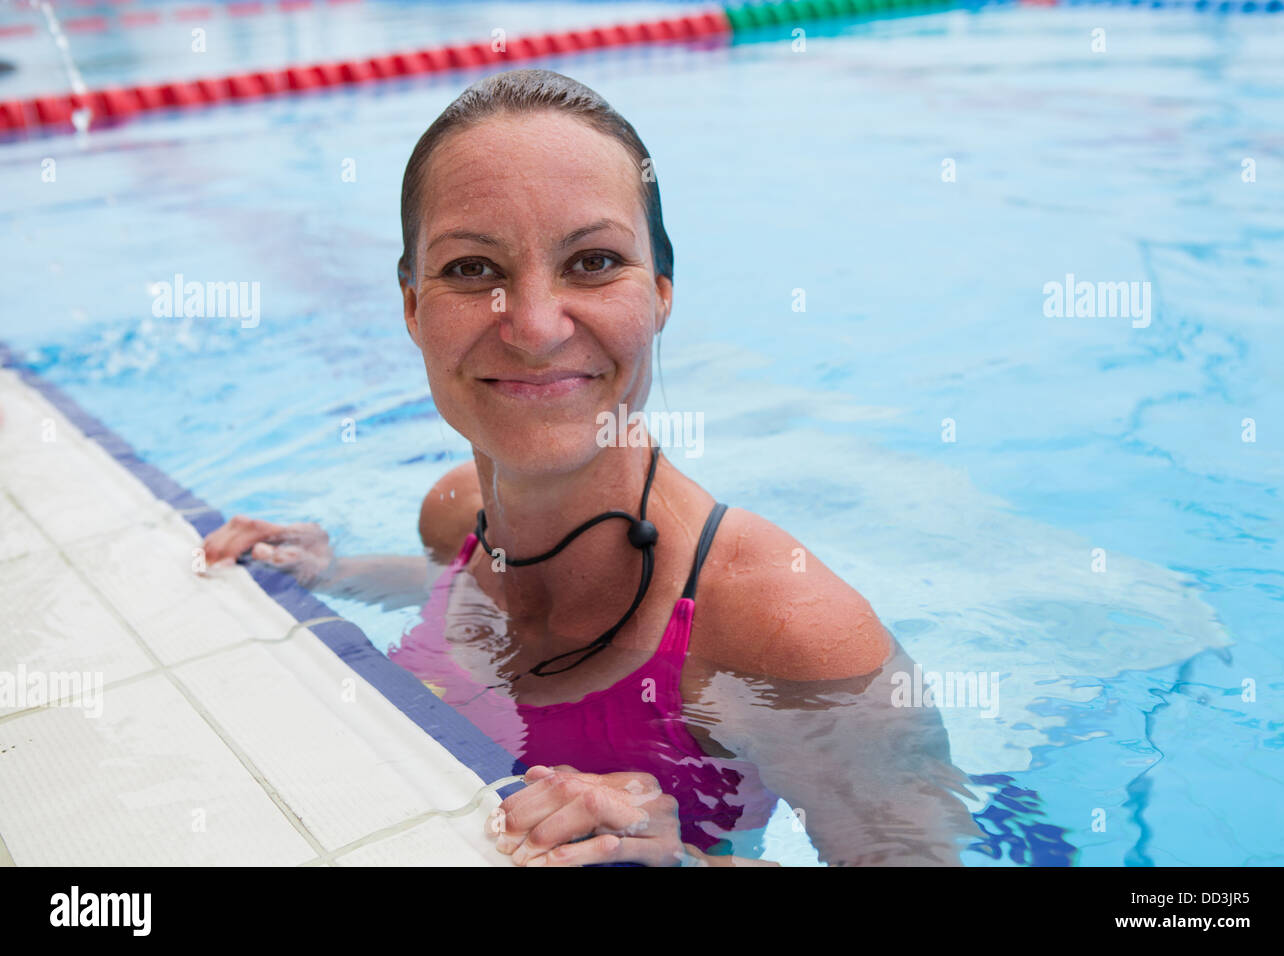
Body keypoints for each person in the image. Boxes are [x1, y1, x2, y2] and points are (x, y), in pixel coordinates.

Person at [202, 69, 980, 867]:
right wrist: (336, 573)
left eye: (595, 261)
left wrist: (684, 866)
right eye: (473, 269)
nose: (535, 328)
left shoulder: (785, 628)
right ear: (410, 304)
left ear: (663, 297)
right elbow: (480, 591)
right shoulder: (455, 515)